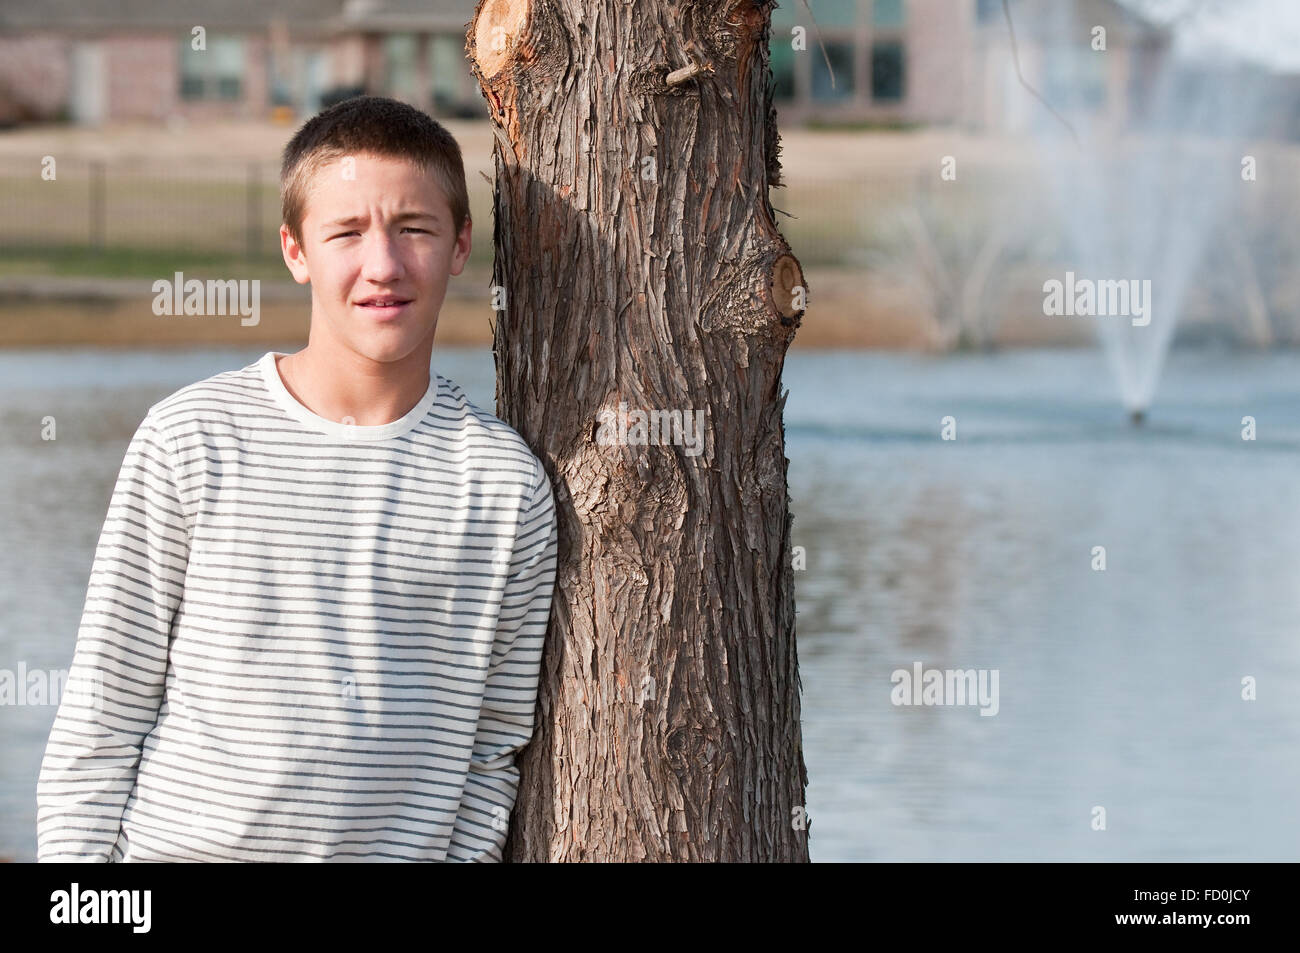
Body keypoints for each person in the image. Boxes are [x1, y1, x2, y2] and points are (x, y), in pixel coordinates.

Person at [35, 96, 559, 862]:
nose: (382, 264)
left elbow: (489, 753)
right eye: (346, 232)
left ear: (459, 245)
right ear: (296, 251)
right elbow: (102, 716)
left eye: (413, 228)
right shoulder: (192, 439)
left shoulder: (505, 487)